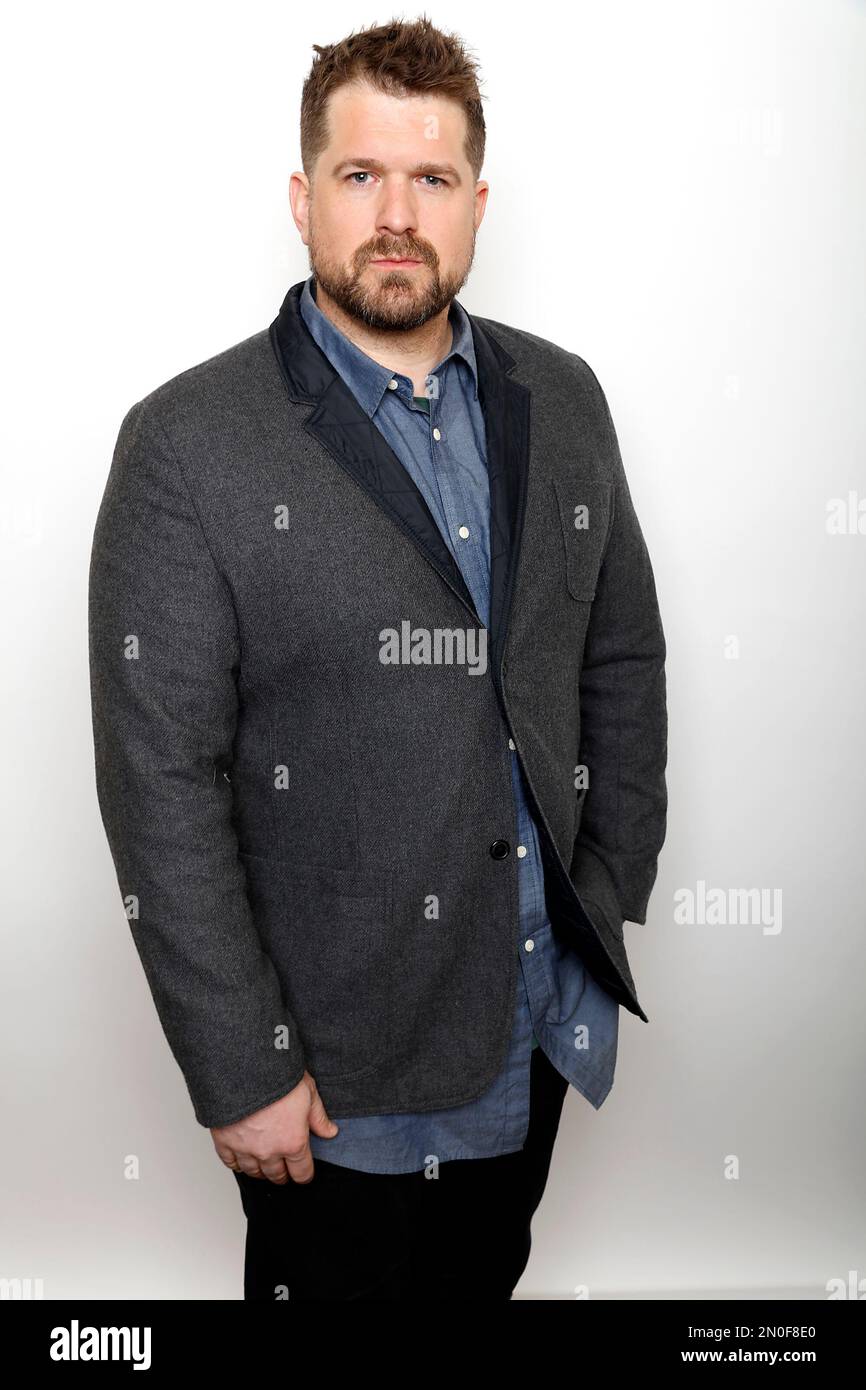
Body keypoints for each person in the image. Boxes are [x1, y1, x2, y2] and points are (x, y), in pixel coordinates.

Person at [88, 15, 668, 1301]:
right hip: (333, 1078)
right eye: (361, 177)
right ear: (303, 200)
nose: (396, 214)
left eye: (431, 179)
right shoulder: (187, 446)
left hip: (530, 1025)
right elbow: (159, 781)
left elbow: (617, 657)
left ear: (475, 203)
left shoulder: (561, 398)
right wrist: (242, 1064)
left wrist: (605, 892)